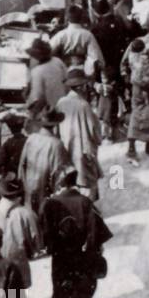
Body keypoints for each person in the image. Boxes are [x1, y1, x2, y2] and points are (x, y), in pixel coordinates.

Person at [41, 167, 112, 298]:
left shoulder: (50, 204)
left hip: (60, 258)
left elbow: (46, 236)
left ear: (59, 184)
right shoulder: (85, 202)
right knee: (82, 295)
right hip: (82, 257)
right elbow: (96, 233)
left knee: (62, 292)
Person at [0, 175, 41, 288]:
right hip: (18, 268)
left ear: (0, 193)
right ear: (18, 193)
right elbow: (36, 245)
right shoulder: (28, 214)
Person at [56, 68, 103, 200]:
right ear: (81, 86)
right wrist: (98, 140)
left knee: (71, 180)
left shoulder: (61, 102)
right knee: (88, 183)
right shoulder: (84, 105)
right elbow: (94, 131)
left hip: (66, 148)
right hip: (83, 150)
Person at [19, 109, 71, 217]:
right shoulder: (56, 144)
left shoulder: (31, 139)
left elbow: (22, 165)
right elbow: (60, 175)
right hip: (46, 192)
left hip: (29, 189)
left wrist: (24, 185)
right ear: (56, 125)